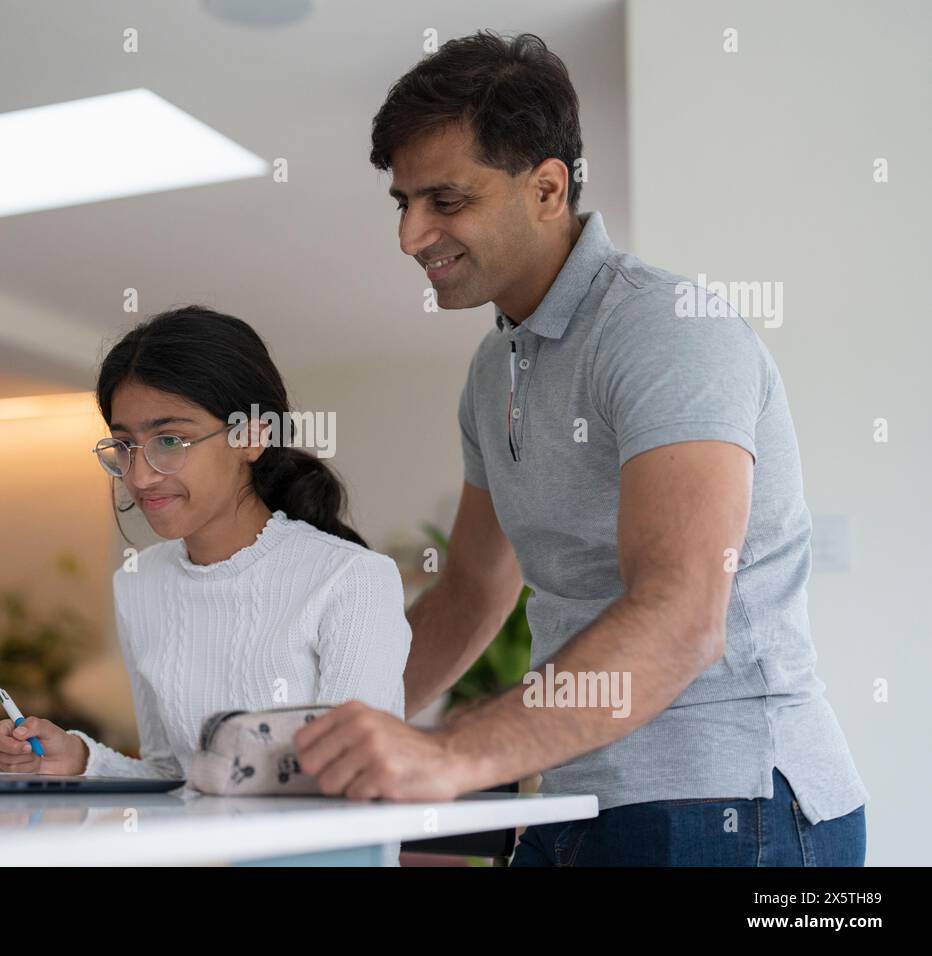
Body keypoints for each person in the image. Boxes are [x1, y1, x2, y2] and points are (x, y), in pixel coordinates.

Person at [293, 31, 867, 866]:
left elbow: (681, 615)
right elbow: (470, 594)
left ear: (547, 188)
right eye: (402, 203)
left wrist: (451, 752)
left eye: (444, 201)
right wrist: (314, 748)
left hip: (730, 799)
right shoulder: (496, 368)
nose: (411, 235)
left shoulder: (664, 329)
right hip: (575, 789)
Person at [0, 305, 411, 783]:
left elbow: (356, 781)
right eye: (124, 445)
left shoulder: (351, 579)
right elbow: (172, 773)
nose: (141, 476)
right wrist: (81, 760)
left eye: (170, 441)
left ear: (253, 436)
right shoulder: (139, 581)